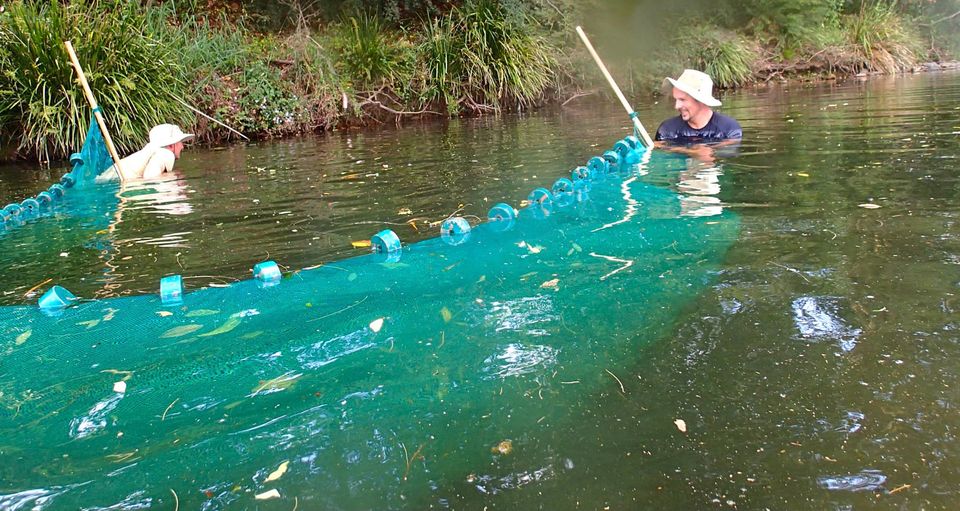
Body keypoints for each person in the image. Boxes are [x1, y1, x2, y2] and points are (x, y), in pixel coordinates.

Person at [655, 69, 742, 143]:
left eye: (682, 100)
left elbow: (727, 156)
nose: (676, 106)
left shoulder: (728, 129)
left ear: (701, 101)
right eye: (676, 99)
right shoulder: (667, 130)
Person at [97, 124, 194, 182]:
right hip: (112, 183)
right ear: (171, 145)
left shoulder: (152, 151)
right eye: (180, 142)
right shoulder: (165, 154)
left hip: (107, 178)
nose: (182, 146)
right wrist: (172, 179)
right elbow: (150, 178)